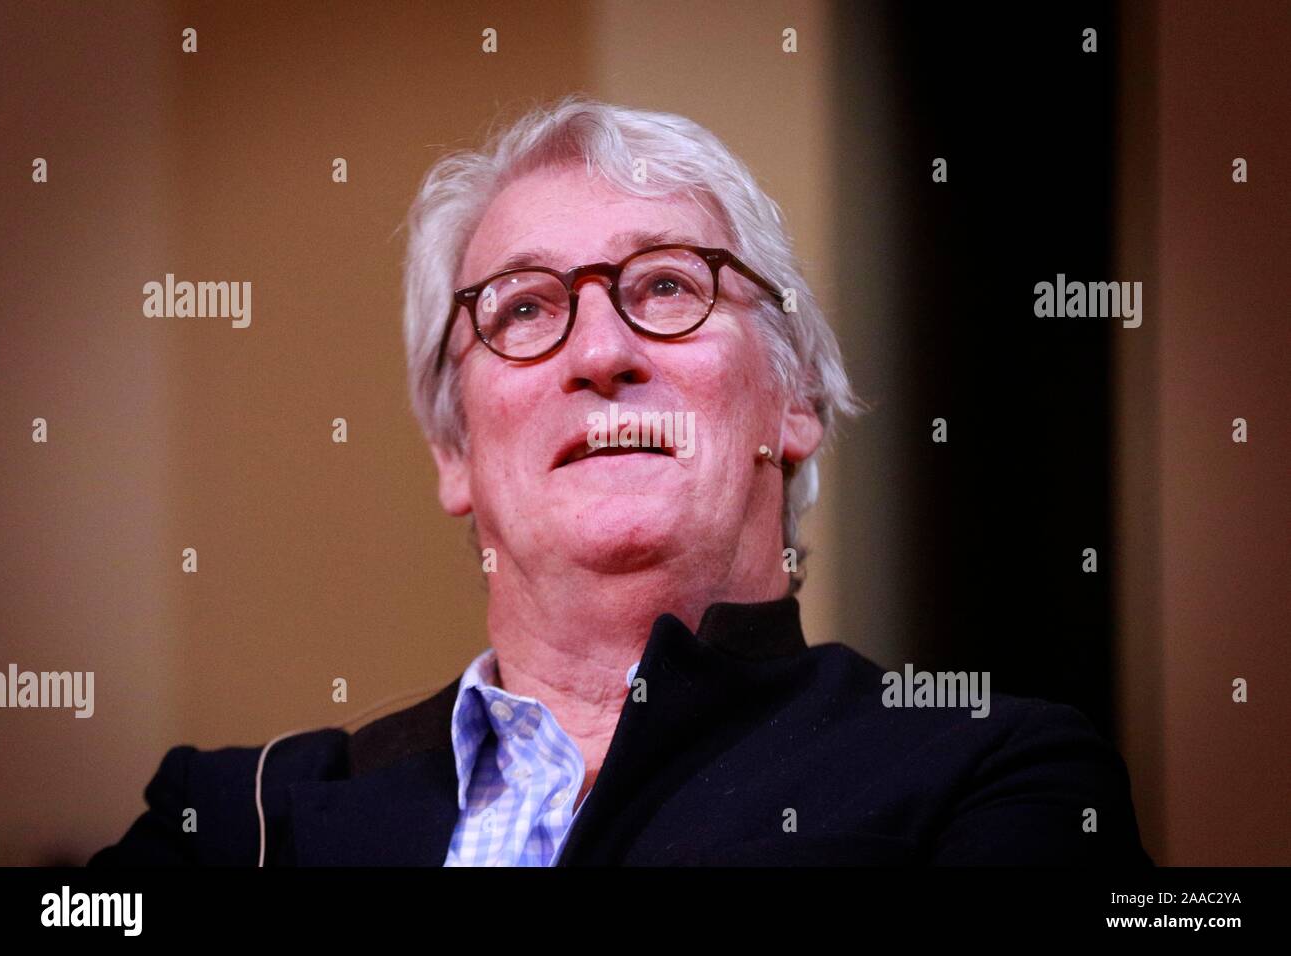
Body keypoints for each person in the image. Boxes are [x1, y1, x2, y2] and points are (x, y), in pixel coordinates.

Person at [90, 95, 1151, 866]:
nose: (599, 350)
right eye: (521, 308)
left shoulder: (994, 774)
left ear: (794, 405)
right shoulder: (239, 818)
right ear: (454, 452)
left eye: (665, 285)